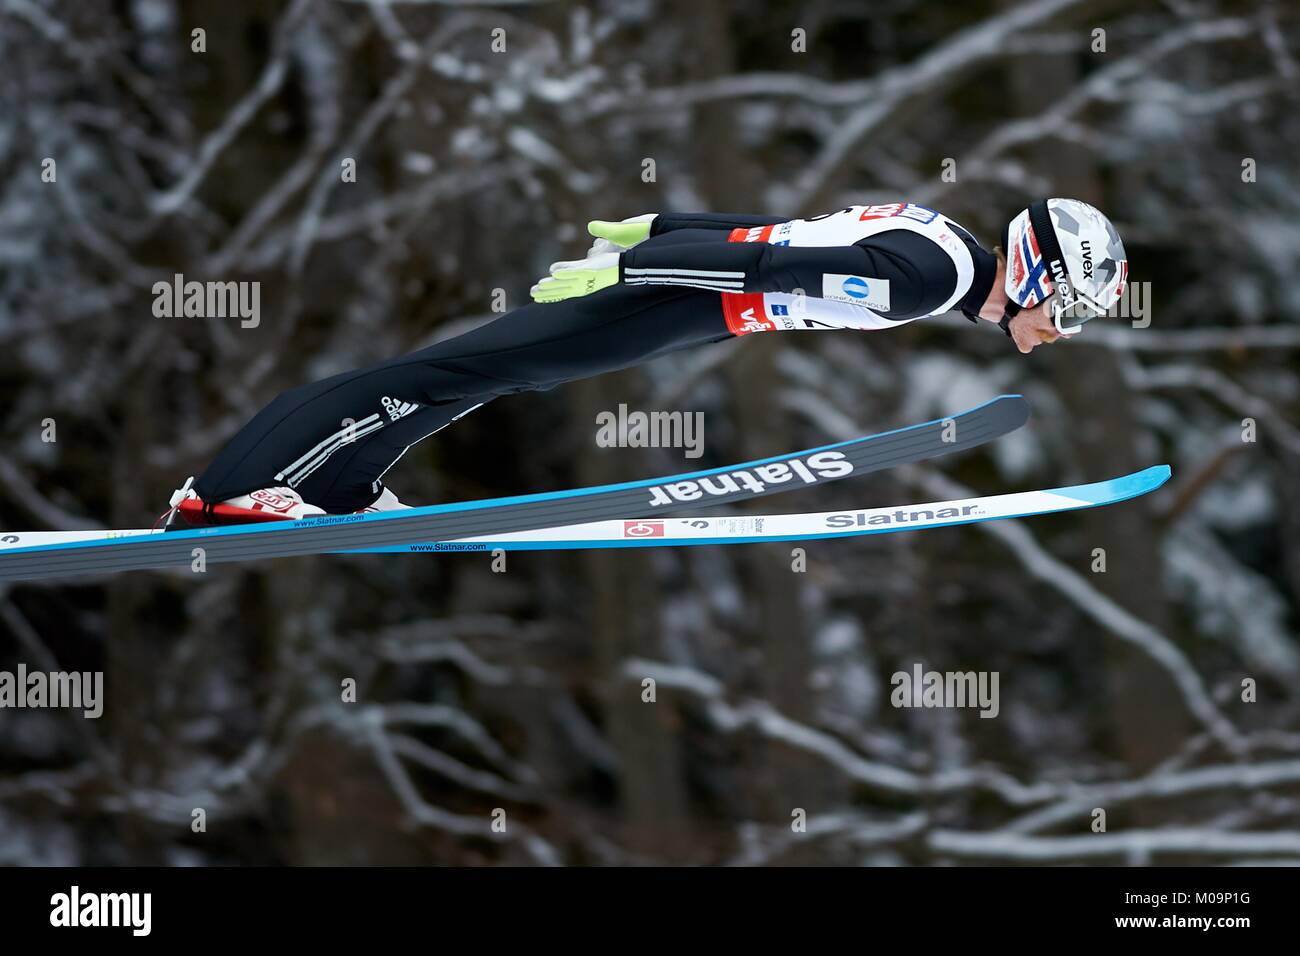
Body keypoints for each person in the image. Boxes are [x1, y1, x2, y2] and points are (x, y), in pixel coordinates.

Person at [163, 199, 1127, 528]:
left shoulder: (943, 246)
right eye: (1070, 310)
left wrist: (662, 229)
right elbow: (773, 260)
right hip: (675, 299)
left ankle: (337, 485)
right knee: (452, 373)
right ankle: (237, 488)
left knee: (477, 377)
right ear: (1044, 271)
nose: (1063, 330)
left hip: (686, 298)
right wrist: (639, 263)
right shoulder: (928, 279)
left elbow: (777, 230)